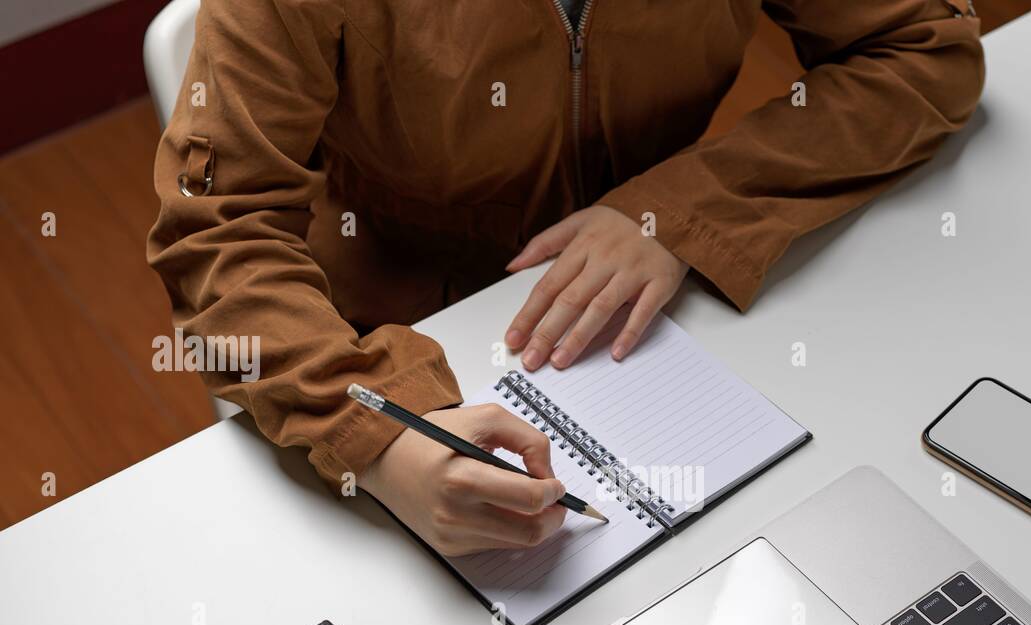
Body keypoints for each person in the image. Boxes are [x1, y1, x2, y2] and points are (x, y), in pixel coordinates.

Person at [148, 0, 983, 556]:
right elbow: (217, 227)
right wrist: (385, 434)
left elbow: (920, 49)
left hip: (669, 324)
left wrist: (681, 207)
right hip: (380, 347)